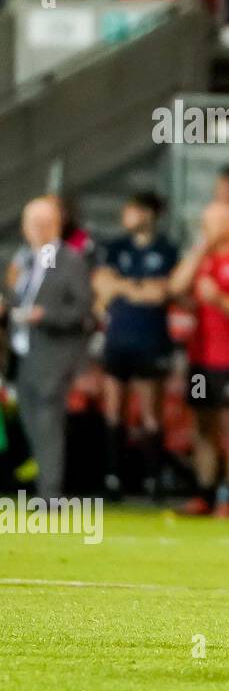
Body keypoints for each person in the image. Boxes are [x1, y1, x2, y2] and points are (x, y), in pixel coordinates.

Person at [169, 201, 229, 517]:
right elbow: (175, 287)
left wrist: (220, 300)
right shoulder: (203, 260)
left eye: (210, 222)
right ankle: (205, 491)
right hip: (200, 359)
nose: (205, 228)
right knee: (201, 425)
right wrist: (198, 251)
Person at [3, 196, 93, 499]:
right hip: (24, 353)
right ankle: (46, 486)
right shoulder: (23, 260)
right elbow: (19, 300)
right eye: (32, 223)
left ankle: (50, 495)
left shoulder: (70, 260)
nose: (36, 229)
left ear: (55, 224)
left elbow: (82, 311)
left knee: (47, 422)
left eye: (43, 223)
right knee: (31, 421)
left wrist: (47, 315)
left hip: (54, 354)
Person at [94, 193, 179, 497]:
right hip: (117, 337)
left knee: (150, 413)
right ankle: (114, 477)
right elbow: (102, 285)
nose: (126, 215)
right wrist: (138, 289)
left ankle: (152, 479)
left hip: (150, 339)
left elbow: (161, 293)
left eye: (132, 210)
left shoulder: (166, 250)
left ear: (148, 213)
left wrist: (123, 287)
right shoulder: (116, 247)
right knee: (114, 409)